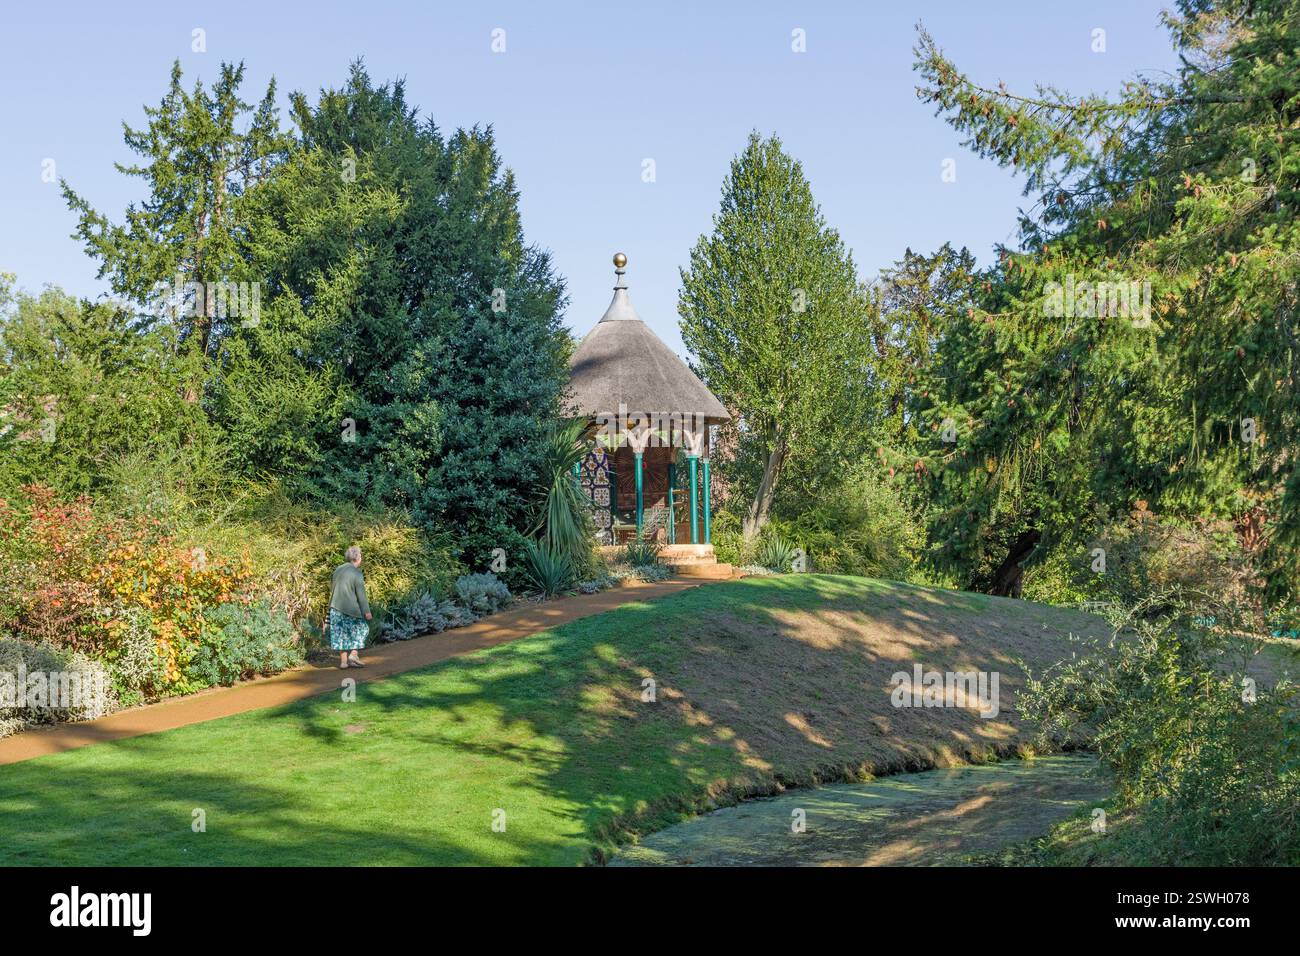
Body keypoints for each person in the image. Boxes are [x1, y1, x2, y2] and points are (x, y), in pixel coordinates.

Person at [324, 545, 372, 668]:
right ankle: (354, 654)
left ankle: (344, 663)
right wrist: (367, 611)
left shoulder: (337, 570)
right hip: (350, 609)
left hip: (334, 608)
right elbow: (361, 595)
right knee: (363, 629)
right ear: (358, 558)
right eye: (360, 555)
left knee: (341, 635)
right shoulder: (356, 573)